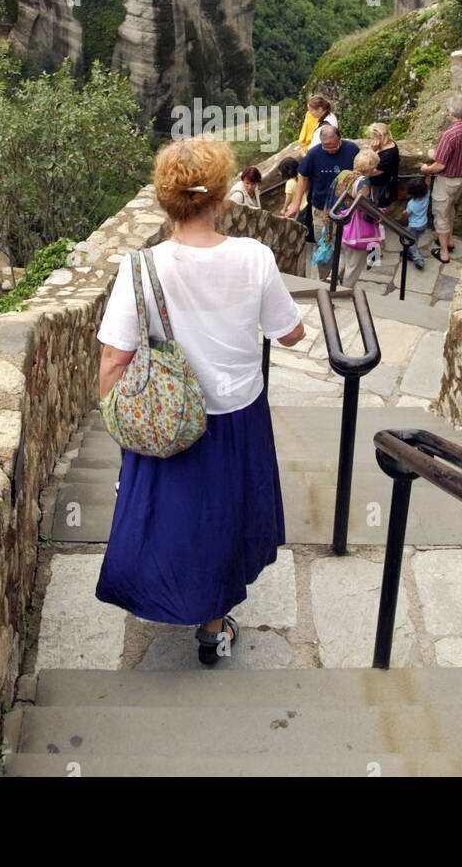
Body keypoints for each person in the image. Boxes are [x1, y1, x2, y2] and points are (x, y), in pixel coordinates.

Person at [95, 136, 305, 665]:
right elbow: (290, 334)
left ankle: (165, 592)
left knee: (174, 511)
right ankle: (214, 626)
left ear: (166, 203)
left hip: (167, 414)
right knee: (226, 514)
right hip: (237, 411)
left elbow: (113, 361)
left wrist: (122, 430)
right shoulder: (255, 257)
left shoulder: (139, 269)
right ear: (220, 200)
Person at [284, 122, 360, 280]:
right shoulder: (313, 154)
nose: (330, 150)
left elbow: (360, 172)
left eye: (333, 146)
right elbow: (303, 177)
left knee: (345, 244)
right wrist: (296, 204)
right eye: (326, 147)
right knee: (324, 245)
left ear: (340, 139)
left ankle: (340, 277)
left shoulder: (352, 149)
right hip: (321, 209)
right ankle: (326, 280)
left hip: (346, 208)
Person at [420, 95, 462, 263]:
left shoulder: (449, 135)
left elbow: (439, 165)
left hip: (448, 180)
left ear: (451, 113)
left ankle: (443, 252)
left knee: (440, 212)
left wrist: (426, 169)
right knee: (451, 208)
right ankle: (449, 240)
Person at [330, 149, 382, 289]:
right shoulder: (364, 181)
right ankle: (344, 292)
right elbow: (364, 207)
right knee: (353, 266)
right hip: (354, 231)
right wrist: (377, 217)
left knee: (340, 258)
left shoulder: (343, 174)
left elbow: (331, 198)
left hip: (339, 226)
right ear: (370, 168)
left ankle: (332, 285)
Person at [365, 122, 400, 208]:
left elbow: (372, 172)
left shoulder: (388, 154)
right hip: (379, 183)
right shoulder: (387, 143)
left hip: (381, 187)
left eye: (372, 138)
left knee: (374, 208)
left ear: (381, 138)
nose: (371, 141)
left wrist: (372, 150)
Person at [400, 175, 431, 271]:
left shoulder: (411, 204)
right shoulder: (426, 196)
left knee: (410, 242)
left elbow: (407, 215)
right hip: (423, 224)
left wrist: (403, 213)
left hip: (414, 226)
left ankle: (418, 260)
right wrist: (428, 175)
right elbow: (428, 185)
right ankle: (409, 254)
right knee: (415, 239)